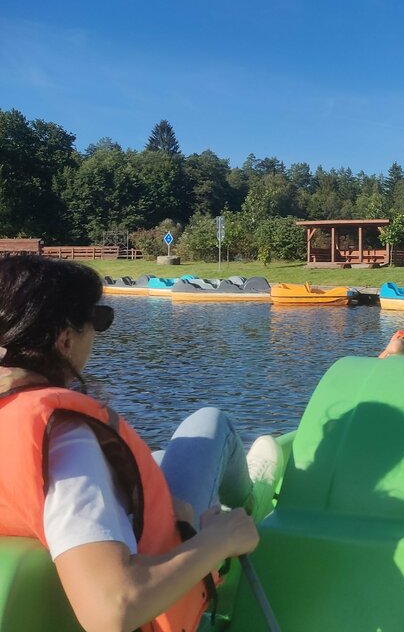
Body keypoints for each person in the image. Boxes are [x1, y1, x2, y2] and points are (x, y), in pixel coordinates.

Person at [0, 256, 270, 632]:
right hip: (156, 614)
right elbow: (113, 607)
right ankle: (249, 504)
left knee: (158, 458)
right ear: (64, 339)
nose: (98, 333)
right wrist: (219, 540)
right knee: (209, 424)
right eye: (98, 319)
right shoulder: (63, 438)